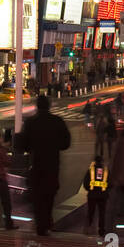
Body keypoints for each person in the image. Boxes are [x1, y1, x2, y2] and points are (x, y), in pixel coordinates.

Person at [17, 94, 71, 236]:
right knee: (49, 196)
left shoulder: (30, 123)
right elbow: (66, 143)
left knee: (37, 196)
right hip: (52, 165)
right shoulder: (57, 121)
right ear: (49, 106)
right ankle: (46, 223)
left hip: (36, 164)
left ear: (37, 106)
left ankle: (40, 225)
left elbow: (23, 145)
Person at [82, 156, 110, 238]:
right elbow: (111, 183)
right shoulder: (106, 171)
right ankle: (101, 231)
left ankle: (89, 229)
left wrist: (90, 189)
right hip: (103, 196)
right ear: (102, 162)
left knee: (91, 212)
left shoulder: (91, 170)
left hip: (92, 195)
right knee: (102, 213)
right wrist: (105, 189)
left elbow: (86, 183)